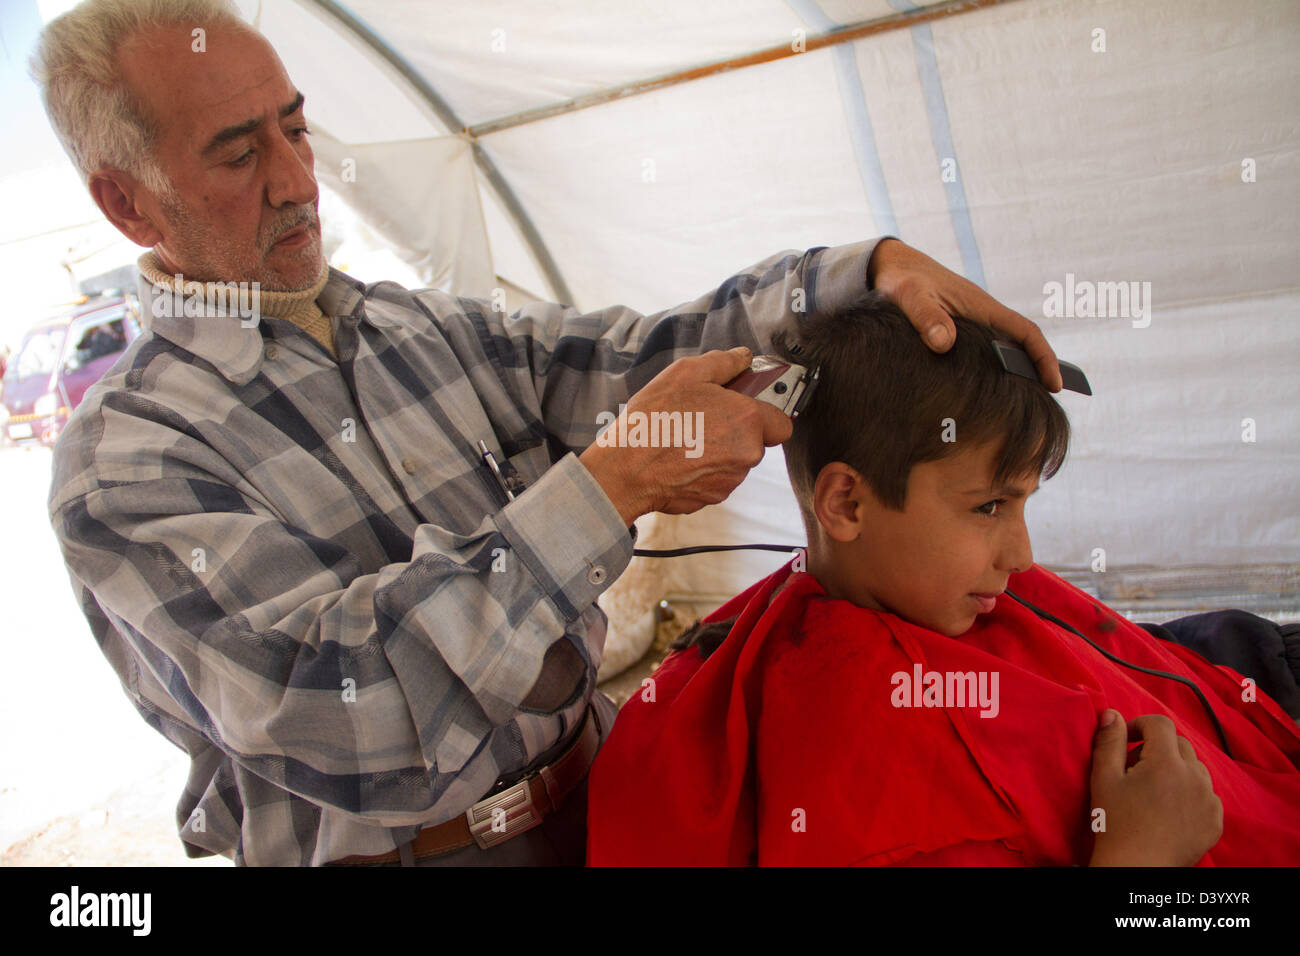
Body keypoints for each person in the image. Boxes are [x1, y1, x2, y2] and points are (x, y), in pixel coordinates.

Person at [34, 0, 1064, 866]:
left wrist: (852, 272)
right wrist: (604, 491)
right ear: (128, 204)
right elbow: (346, 716)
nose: (296, 178)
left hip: (602, 807)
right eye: (236, 151)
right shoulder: (128, 462)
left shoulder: (422, 328)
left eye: (295, 129)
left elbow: (642, 358)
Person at [585, 291, 1300, 866]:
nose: (1022, 556)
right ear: (847, 502)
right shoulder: (872, 771)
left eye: (1021, 503)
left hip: (1233, 677)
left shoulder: (919, 589)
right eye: (989, 506)